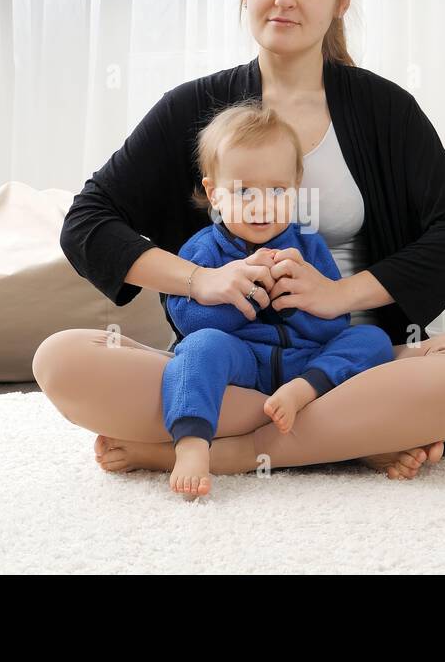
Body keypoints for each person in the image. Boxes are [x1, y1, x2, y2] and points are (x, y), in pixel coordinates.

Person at [34, 0, 445, 483]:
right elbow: (87, 221)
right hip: (232, 361)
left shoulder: (385, 111)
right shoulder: (192, 110)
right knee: (61, 359)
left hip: (349, 366)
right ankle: (354, 438)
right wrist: (202, 281)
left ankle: (220, 448)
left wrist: (338, 296)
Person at [163, 100, 395, 497]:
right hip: (243, 362)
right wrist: (247, 298)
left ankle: (303, 392)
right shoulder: (203, 252)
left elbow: (333, 320)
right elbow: (185, 319)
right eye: (243, 191)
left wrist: (301, 298)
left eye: (277, 190)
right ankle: (191, 444)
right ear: (214, 195)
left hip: (303, 362)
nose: (261, 204)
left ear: (296, 191)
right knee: (199, 348)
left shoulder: (308, 247)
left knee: (371, 340)